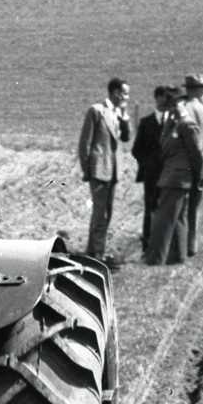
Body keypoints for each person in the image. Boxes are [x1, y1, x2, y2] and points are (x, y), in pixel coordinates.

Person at [144, 74, 203, 265]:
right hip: (179, 175)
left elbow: (196, 150)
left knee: (164, 218)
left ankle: (155, 258)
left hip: (178, 176)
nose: (170, 105)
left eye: (173, 102)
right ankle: (179, 255)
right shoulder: (178, 121)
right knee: (180, 217)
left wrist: (198, 173)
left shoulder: (186, 123)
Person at [76, 77, 131, 267]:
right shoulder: (97, 111)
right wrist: (87, 170)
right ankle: (97, 253)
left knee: (106, 212)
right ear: (116, 92)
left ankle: (94, 251)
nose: (127, 97)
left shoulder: (118, 113)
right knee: (101, 213)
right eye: (125, 93)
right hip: (99, 169)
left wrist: (125, 118)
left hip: (113, 170)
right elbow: (84, 143)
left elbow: (126, 137)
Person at [131, 85, 173, 261]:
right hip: (151, 175)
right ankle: (147, 248)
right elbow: (136, 149)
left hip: (170, 174)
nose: (168, 100)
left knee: (168, 210)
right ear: (157, 98)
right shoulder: (146, 123)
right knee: (150, 209)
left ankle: (165, 248)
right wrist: (148, 164)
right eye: (165, 97)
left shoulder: (174, 123)